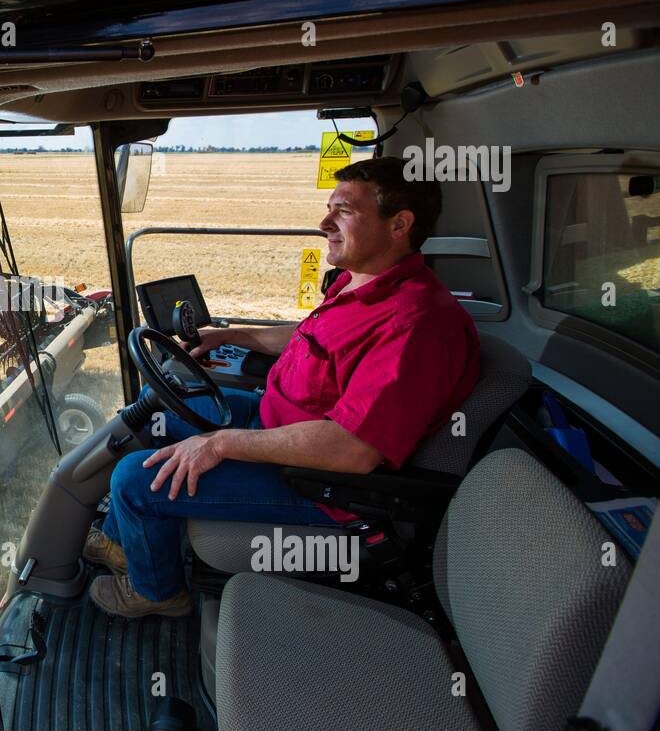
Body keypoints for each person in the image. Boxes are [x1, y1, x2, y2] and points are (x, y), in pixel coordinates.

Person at [87, 156, 480, 618]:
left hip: (320, 481)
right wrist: (233, 335)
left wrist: (223, 444)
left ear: (400, 224)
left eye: (344, 211)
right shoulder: (364, 283)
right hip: (279, 424)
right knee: (159, 413)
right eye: (329, 208)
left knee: (133, 479)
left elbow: (353, 451)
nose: (324, 223)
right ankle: (122, 541)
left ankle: (157, 592)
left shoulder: (418, 325)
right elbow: (311, 339)